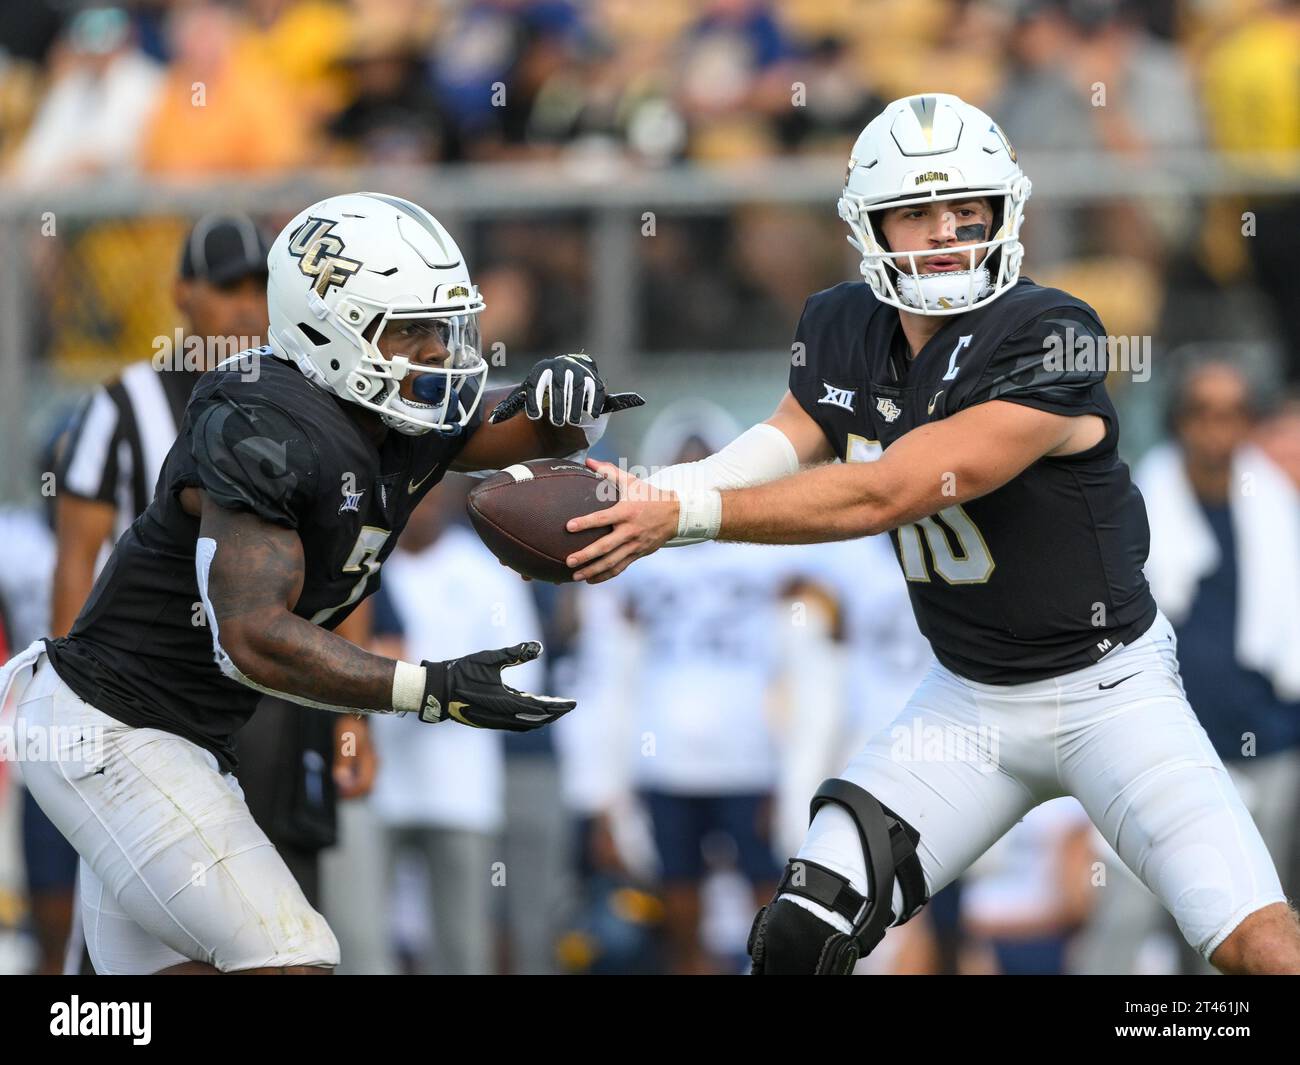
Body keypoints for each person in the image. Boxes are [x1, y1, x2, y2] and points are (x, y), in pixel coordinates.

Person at [564, 94, 1300, 974]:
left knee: (1260, 948)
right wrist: (653, 490)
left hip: (1110, 693)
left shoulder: (1053, 334)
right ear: (870, 224)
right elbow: (780, 440)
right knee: (798, 934)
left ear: (1005, 213)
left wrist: (680, 517)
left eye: (968, 210)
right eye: (918, 211)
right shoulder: (842, 325)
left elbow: (889, 492)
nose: (949, 231)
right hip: (964, 702)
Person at [0, 191, 640, 975]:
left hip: (176, 735)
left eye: (443, 328)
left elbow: (518, 427)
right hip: (112, 729)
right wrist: (427, 688)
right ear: (330, 326)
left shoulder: (390, 409)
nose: (438, 353)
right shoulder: (263, 419)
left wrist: (573, 408)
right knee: (293, 952)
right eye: (411, 329)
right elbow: (252, 635)